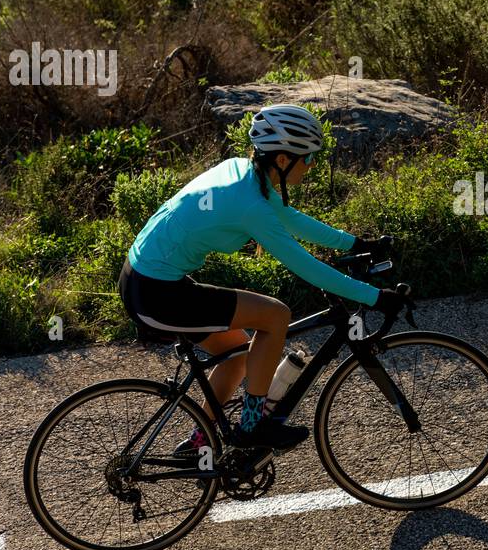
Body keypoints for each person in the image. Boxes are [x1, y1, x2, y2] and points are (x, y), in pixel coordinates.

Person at [117, 103, 404, 452]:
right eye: (308, 157)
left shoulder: (243, 173)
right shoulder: (249, 205)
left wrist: (357, 243)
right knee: (275, 315)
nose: (311, 165)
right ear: (282, 160)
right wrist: (375, 296)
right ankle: (254, 426)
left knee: (238, 354)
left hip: (148, 278)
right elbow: (306, 267)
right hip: (155, 292)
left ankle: (200, 444)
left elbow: (291, 218)